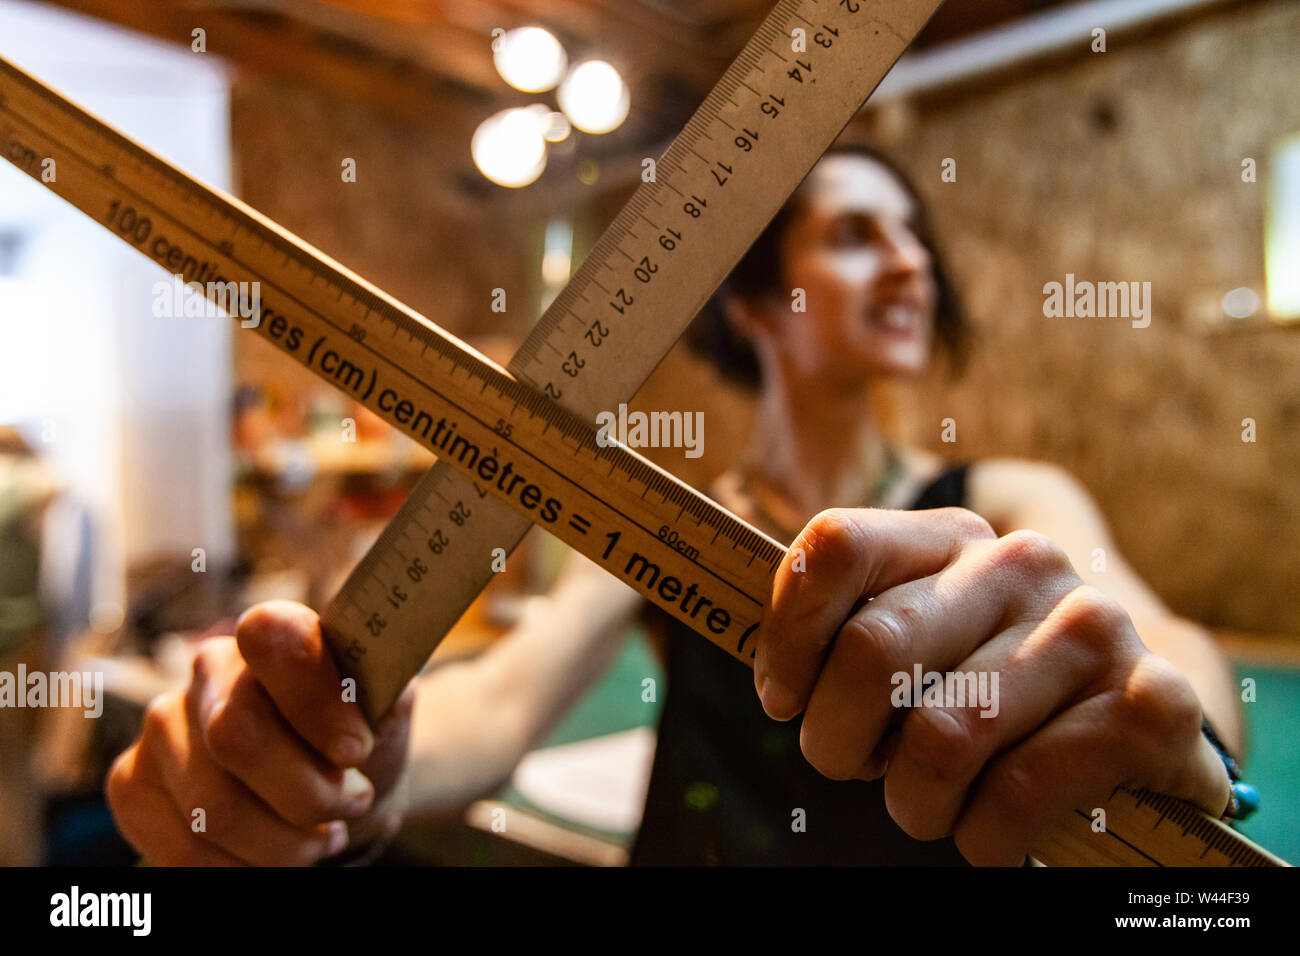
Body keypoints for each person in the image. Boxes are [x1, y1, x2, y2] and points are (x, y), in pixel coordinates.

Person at [106, 144, 1243, 866]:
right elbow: (495, 703)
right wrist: (341, 766)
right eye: (855, 235)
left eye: (914, 237)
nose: (910, 265)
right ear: (753, 299)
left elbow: (1170, 648)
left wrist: (1170, 718)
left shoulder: (1005, 500)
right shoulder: (659, 524)